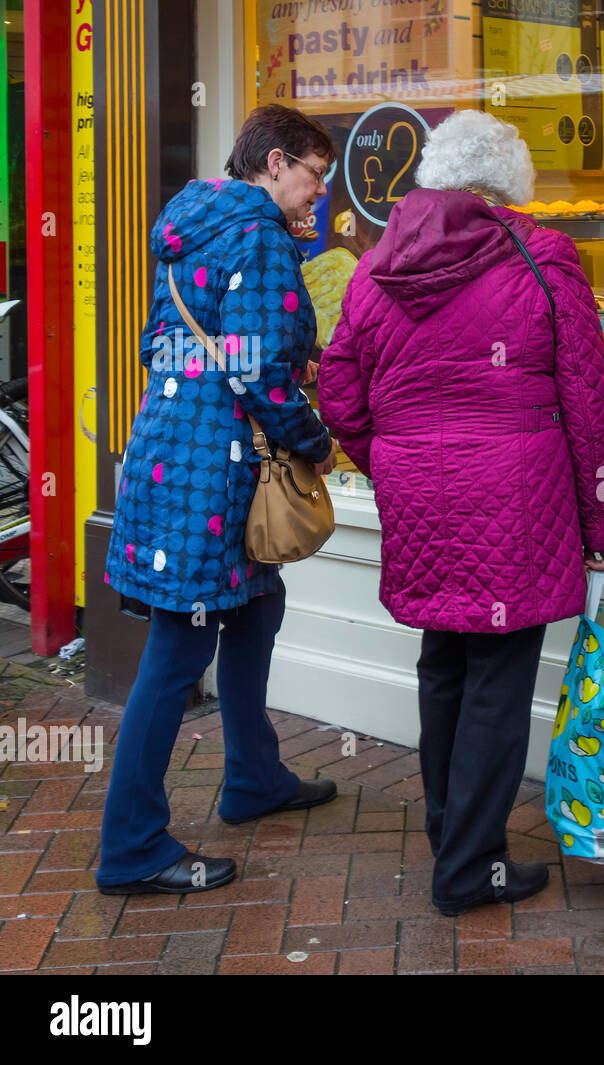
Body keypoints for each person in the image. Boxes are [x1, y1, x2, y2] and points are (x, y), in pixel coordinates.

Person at [318, 110, 604, 916]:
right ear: (509, 183)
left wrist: (393, 455)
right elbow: (591, 406)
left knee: (444, 662)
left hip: (421, 491)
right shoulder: (541, 256)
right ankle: (469, 866)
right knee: (497, 675)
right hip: (517, 494)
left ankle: (454, 836)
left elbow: (341, 391)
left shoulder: (378, 264)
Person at [96, 105, 342, 896]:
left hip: (168, 452)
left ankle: (253, 776)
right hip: (218, 470)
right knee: (176, 652)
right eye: (312, 176)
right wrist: (313, 441)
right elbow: (262, 373)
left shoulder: (188, 221)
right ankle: (132, 844)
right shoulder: (263, 238)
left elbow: (154, 344)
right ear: (274, 163)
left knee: (255, 607)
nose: (318, 196)